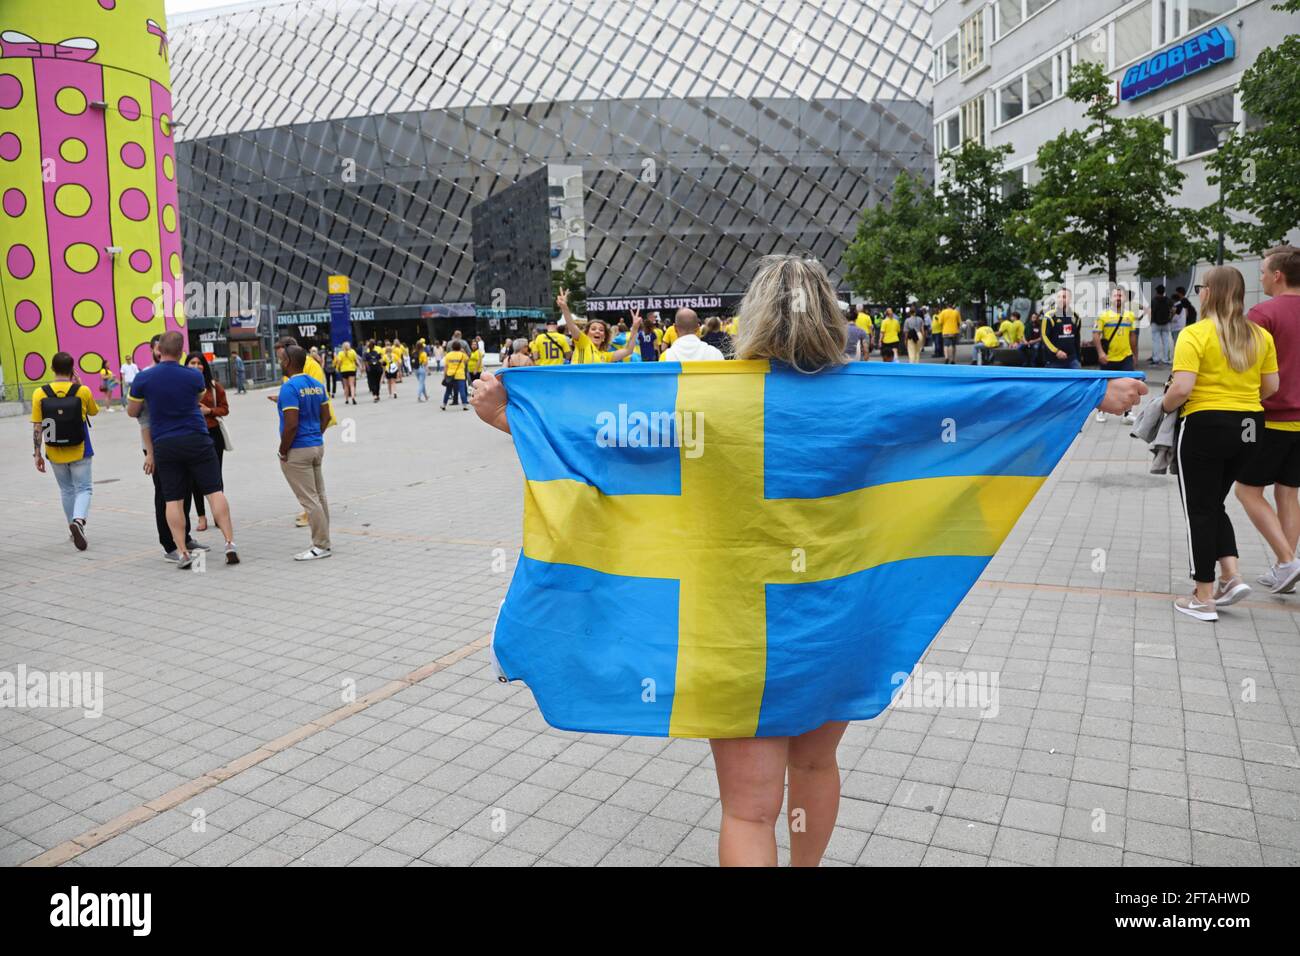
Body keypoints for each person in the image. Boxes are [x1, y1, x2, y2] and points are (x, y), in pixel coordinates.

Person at [469, 254, 1146, 866]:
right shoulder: (869, 396)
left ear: (751, 318)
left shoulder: (703, 400)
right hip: (832, 622)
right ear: (834, 318)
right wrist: (1088, 393)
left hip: (731, 633)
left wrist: (510, 415)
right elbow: (972, 402)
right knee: (816, 769)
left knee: (747, 809)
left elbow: (602, 446)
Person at [1162, 266, 1278, 622]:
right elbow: (1271, 386)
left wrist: (1162, 407)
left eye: (1201, 287)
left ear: (1209, 292)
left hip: (1206, 423)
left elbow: (1181, 388)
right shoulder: (1259, 336)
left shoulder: (1195, 334)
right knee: (1212, 502)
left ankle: (1203, 595)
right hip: (1249, 426)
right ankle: (1231, 575)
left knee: (1198, 509)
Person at [128, 331, 239, 568]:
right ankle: (229, 543)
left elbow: (132, 410)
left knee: (173, 499)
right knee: (214, 492)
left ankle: (182, 553)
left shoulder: (143, 379)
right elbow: (196, 398)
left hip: (165, 442)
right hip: (197, 438)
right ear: (181, 353)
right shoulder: (193, 376)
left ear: (159, 350)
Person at [1235, 246, 1300, 594]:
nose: (1259, 277)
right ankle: (1283, 569)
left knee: (1247, 490)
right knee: (1288, 492)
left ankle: (1288, 561)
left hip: (1272, 417)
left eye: (1262, 271)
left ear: (1278, 275)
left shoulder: (1263, 314)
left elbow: (1244, 362)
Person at [31, 351, 98, 550]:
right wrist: (80, 383)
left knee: (67, 489)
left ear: (52, 369)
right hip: (80, 448)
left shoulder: (40, 393)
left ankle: (73, 528)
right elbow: (94, 411)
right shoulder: (82, 390)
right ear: (72, 369)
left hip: (54, 450)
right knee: (84, 488)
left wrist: (37, 454)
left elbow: (37, 426)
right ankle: (78, 521)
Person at [277, 345, 332, 561]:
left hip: (298, 449)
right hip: (316, 445)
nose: (280, 363)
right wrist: (315, 435)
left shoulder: (289, 387)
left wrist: (283, 450)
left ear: (289, 362)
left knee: (309, 500)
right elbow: (326, 416)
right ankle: (325, 541)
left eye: (282, 359)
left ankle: (320, 545)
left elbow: (291, 424)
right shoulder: (317, 385)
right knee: (320, 495)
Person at [185, 351, 229, 533]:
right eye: (192, 363)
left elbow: (225, 409)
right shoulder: (181, 386)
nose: (196, 366)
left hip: (213, 433)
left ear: (205, 366)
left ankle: (219, 515)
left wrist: (209, 411)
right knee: (194, 478)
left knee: (215, 475)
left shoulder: (214, 386)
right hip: (191, 435)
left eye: (199, 363)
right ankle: (201, 517)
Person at [557, 290, 640, 363]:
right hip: (578, 380)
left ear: (604, 337)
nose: (597, 331)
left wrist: (635, 328)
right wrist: (564, 308)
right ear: (586, 334)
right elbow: (572, 325)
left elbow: (628, 350)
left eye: (601, 330)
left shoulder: (605, 356)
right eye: (593, 329)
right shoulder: (583, 342)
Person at [1093, 288, 1138, 423]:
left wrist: (1135, 354)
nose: (1118, 297)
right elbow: (1096, 335)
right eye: (1115, 295)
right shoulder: (1102, 315)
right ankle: (1101, 411)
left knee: (1129, 385)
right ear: (1110, 298)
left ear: (1125, 298)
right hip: (1108, 357)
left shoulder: (1130, 315)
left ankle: (1128, 413)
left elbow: (1132, 335)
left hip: (1126, 356)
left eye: (1120, 295)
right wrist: (1100, 353)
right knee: (1105, 386)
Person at [1041, 288, 1082, 369]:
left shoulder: (1076, 317)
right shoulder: (1049, 316)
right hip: (1054, 361)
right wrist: (1056, 351)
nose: (1061, 299)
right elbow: (1044, 337)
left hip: (1072, 361)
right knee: (1053, 382)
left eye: (1064, 297)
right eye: (1058, 297)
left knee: (1078, 381)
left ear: (1070, 299)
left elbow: (1077, 339)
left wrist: (1079, 358)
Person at [441, 339, 471, 409]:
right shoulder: (462, 355)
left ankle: (444, 405)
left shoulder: (448, 355)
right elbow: (467, 361)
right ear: (460, 347)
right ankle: (464, 405)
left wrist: (444, 376)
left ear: (452, 347)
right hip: (460, 375)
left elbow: (446, 366)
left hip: (450, 375)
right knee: (462, 390)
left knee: (448, 391)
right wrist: (464, 352)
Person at [1149, 284, 1173, 366]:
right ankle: (1166, 359)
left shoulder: (1154, 300)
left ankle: (1156, 359)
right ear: (1164, 291)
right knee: (1166, 341)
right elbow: (1173, 310)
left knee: (1156, 342)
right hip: (1166, 323)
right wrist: (1170, 318)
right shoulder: (1168, 300)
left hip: (1155, 323)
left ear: (1156, 291)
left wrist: (1151, 320)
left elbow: (1151, 311)